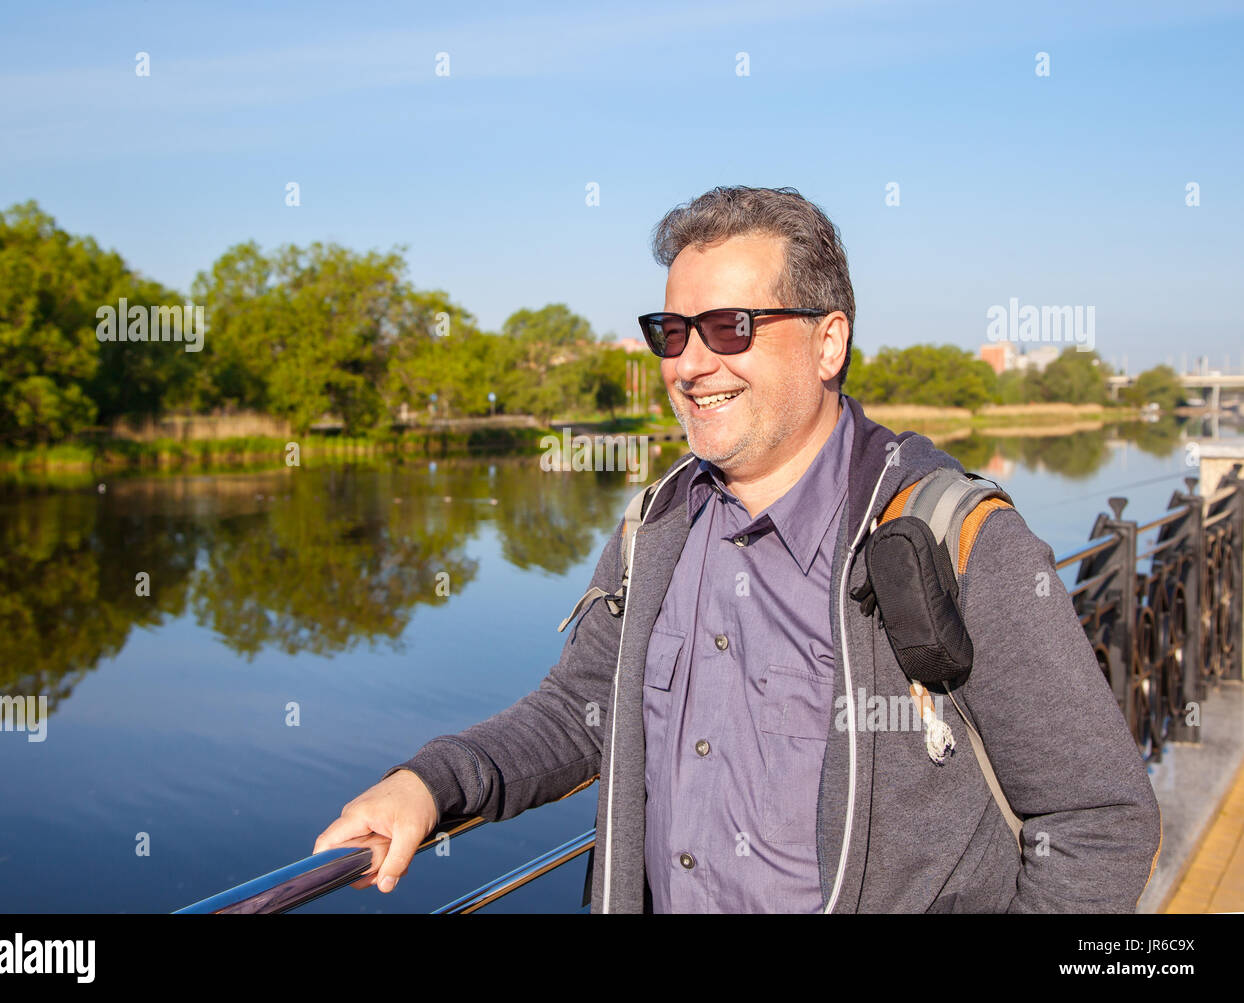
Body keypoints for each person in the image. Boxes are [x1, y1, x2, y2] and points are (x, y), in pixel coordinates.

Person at [314, 186, 1161, 913]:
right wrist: (428, 783)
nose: (690, 362)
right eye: (671, 330)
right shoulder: (657, 530)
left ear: (829, 341)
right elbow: (582, 709)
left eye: (730, 326)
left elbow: (1099, 819)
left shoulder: (953, 537)